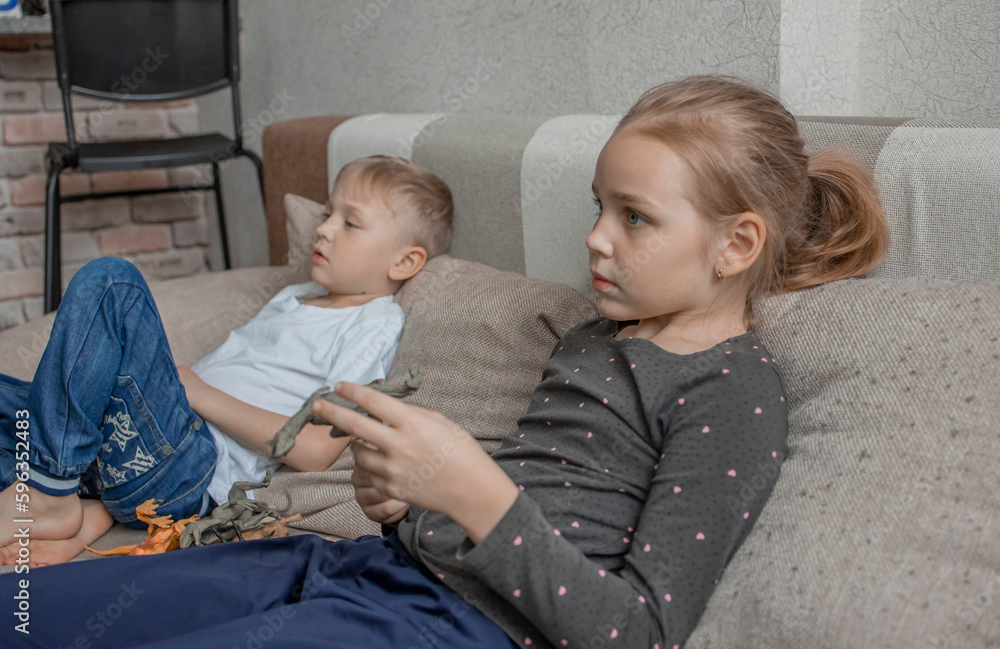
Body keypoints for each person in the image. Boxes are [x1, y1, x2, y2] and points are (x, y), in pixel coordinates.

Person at [0, 76, 888, 648]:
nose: (595, 237)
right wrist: (400, 502)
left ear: (737, 244)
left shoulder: (730, 392)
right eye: (598, 207)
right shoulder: (591, 338)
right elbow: (479, 513)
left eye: (634, 217)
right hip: (363, 565)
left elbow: (639, 630)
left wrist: (471, 490)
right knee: (33, 614)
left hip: (452, 626)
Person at [0, 155, 454, 567]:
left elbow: (316, 449)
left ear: (404, 262)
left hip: (193, 467)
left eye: (350, 223)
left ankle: (47, 489)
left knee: (112, 281)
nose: (324, 229)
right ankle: (76, 505)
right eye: (326, 213)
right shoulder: (294, 296)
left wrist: (198, 393)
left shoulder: (373, 324)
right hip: (134, 452)